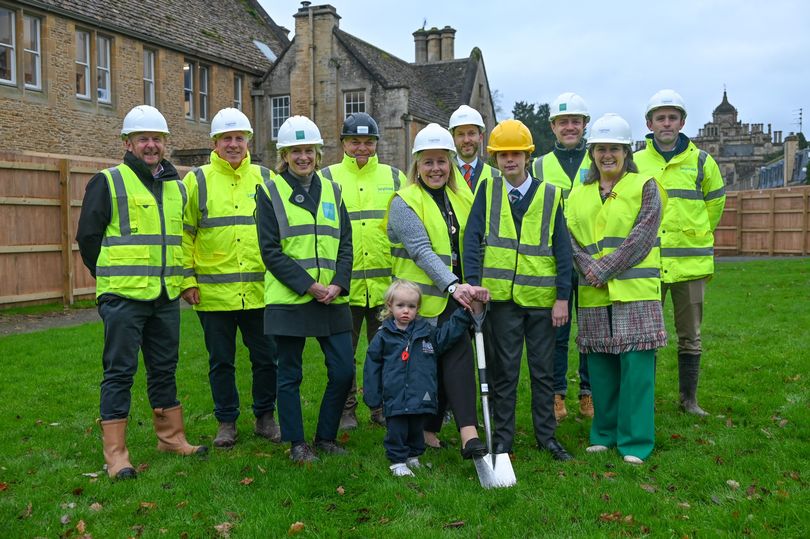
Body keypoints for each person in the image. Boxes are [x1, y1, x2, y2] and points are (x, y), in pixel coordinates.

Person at [76, 105, 207, 480]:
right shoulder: (109, 181)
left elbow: (177, 240)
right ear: (127, 143)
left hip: (165, 295)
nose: (151, 146)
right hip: (123, 297)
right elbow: (88, 238)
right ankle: (116, 455)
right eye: (143, 139)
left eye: (157, 139)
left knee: (164, 369)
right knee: (120, 372)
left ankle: (171, 437)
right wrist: (107, 279)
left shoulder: (176, 186)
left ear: (166, 143)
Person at [463, 119, 574, 461]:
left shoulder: (550, 195)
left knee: (543, 373)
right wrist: (475, 289)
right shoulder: (487, 190)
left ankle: (547, 437)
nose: (509, 160)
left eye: (516, 154)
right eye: (502, 155)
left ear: (528, 156)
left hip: (542, 303)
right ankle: (503, 440)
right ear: (495, 158)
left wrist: (561, 299)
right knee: (504, 373)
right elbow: (471, 241)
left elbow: (563, 250)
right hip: (501, 302)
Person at [566, 113, 667, 464]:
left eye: (614, 149)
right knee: (601, 368)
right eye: (600, 148)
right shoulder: (578, 194)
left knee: (637, 370)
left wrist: (603, 269)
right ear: (592, 152)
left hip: (635, 293)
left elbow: (643, 235)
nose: (607, 155)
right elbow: (569, 238)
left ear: (626, 152)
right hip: (595, 294)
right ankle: (603, 433)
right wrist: (588, 267)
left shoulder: (646, 186)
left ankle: (635, 441)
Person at [386, 122, 488, 459]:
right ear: (416, 165)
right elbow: (420, 249)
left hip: (456, 297)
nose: (435, 169)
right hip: (416, 303)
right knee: (423, 370)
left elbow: (473, 243)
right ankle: (426, 430)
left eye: (441, 161)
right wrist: (453, 285)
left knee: (457, 359)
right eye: (427, 162)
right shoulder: (404, 201)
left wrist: (471, 285)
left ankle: (467, 433)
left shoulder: (463, 196)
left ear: (451, 163)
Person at [255, 115, 354, 464]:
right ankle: (297, 444)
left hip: (332, 297)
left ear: (318, 153)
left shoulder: (333, 190)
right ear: (284, 155)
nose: (303, 157)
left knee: (344, 370)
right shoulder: (269, 191)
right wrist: (308, 286)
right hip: (290, 299)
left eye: (308, 150)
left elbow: (345, 242)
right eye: (295, 151)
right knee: (289, 375)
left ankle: (325, 437)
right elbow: (270, 251)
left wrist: (338, 283)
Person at [180, 108, 280, 449]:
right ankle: (226, 422)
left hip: (260, 292)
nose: (234, 145)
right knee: (221, 361)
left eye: (239, 138)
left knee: (266, 358)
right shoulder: (197, 180)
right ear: (215, 143)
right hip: (214, 294)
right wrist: (187, 280)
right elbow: (185, 234)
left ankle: (265, 417)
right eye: (227, 139)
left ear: (248, 140)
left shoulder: (267, 179)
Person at [634, 90, 726, 416]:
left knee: (690, 337)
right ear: (649, 123)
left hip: (690, 264)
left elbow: (715, 204)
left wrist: (696, 234)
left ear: (682, 121)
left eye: (673, 117)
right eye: (661, 117)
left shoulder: (702, 161)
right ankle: (643, 400)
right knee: (645, 338)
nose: (667, 123)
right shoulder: (636, 162)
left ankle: (689, 401)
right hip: (648, 265)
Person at [320, 112, 406, 430]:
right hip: (344, 286)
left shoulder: (395, 178)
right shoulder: (326, 178)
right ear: (343, 143)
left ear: (376, 144)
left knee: (387, 351)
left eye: (368, 142)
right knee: (344, 355)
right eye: (355, 141)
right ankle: (346, 408)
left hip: (387, 286)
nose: (361, 148)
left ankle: (381, 406)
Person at [363, 280, 481, 477]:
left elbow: (445, 337)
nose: (406, 311)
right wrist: (373, 396)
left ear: (417, 308)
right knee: (398, 430)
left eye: (411, 306)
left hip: (420, 394)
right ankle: (398, 461)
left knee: (416, 429)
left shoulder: (425, 332)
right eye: (400, 306)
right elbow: (372, 366)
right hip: (396, 396)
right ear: (390, 306)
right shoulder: (384, 336)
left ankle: (413, 456)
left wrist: (462, 315)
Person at [532, 92, 593, 422]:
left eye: (576, 122)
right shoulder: (539, 165)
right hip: (554, 261)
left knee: (590, 330)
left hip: (591, 259)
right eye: (563, 122)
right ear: (553, 127)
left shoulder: (598, 158)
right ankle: (556, 394)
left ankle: (588, 392)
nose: (570, 127)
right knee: (556, 332)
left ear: (585, 125)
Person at [448, 105, 495, 192]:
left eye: (471, 133)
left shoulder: (495, 175)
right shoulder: (443, 174)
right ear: (453, 139)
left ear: (480, 137)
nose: (466, 140)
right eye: (460, 134)